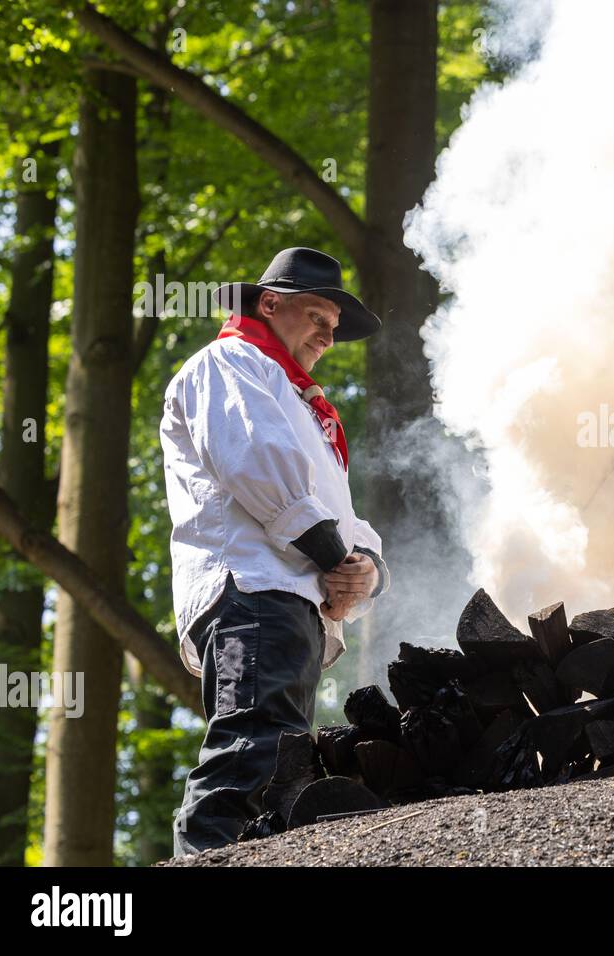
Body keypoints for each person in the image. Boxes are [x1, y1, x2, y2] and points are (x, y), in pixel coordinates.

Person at [162, 247, 391, 856]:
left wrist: (365, 570)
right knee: (251, 752)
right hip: (254, 592)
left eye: (334, 328)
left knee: (278, 767)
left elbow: (337, 513)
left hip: (288, 600)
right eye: (318, 316)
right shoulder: (230, 361)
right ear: (270, 303)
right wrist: (332, 558)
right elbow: (255, 462)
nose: (328, 336)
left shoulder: (296, 401)